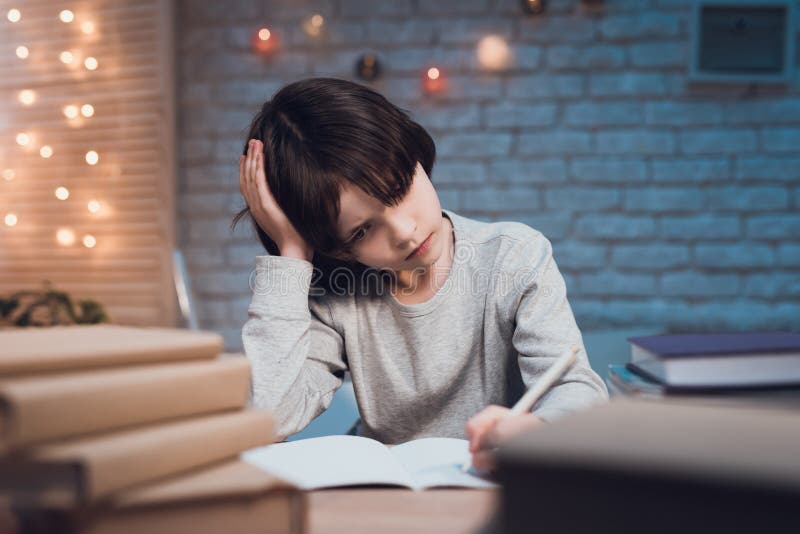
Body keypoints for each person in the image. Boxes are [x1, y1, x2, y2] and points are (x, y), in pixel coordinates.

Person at [233, 77, 608, 471]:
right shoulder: (335, 296)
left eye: (399, 188)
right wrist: (292, 253)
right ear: (336, 248)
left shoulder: (513, 257)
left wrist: (534, 430)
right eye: (363, 230)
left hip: (493, 486)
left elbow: (576, 390)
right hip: (385, 494)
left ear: (416, 158)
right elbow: (268, 418)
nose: (404, 231)